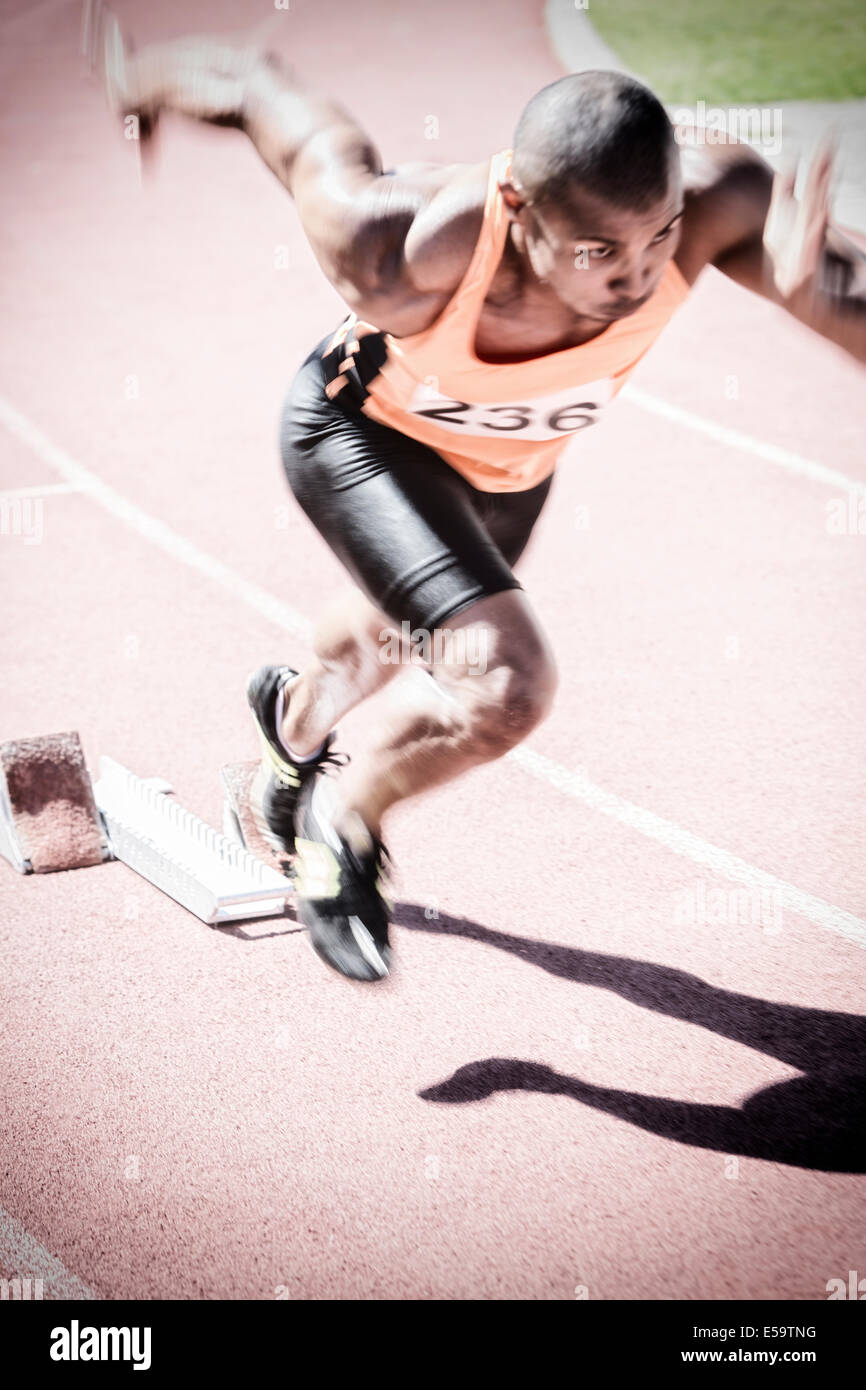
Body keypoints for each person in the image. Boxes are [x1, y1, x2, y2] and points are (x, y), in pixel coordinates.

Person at [87, 5, 865, 981]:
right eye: (595, 253)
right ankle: (345, 823)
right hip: (360, 438)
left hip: (510, 470)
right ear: (517, 207)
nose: (633, 277)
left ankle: (284, 740)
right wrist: (137, 81)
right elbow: (257, 88)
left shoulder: (715, 200)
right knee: (504, 684)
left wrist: (833, 299)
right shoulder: (392, 244)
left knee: (376, 648)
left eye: (656, 239)